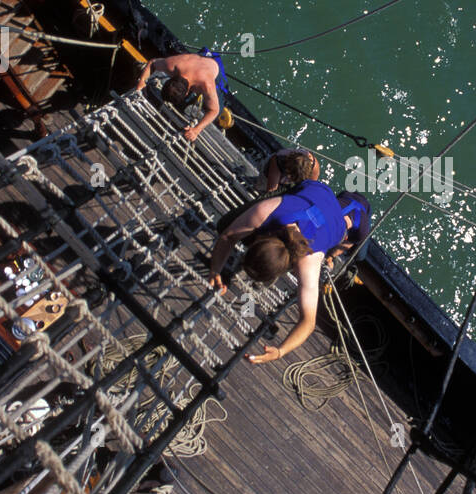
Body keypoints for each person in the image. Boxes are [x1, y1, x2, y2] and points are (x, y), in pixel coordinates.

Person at [208, 179, 370, 364]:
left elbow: (308, 321)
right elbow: (228, 235)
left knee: (355, 252)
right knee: (226, 224)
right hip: (312, 192)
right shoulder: (267, 211)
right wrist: (215, 270)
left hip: (338, 212)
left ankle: (338, 256)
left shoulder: (310, 259)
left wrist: (280, 351)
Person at [135, 52, 221, 142]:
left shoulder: (207, 85)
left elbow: (214, 110)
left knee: (219, 108)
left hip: (214, 65)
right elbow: (152, 63)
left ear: (187, 92)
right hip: (197, 58)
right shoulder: (173, 65)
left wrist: (197, 130)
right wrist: (142, 81)